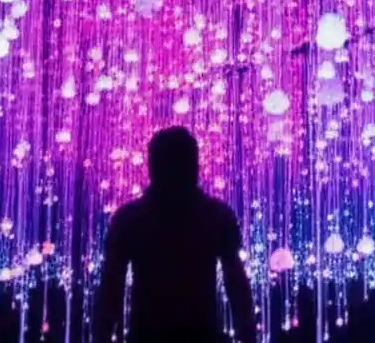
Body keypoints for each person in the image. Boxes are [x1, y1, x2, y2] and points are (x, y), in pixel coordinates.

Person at [93, 127, 256, 343]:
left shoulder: (130, 219)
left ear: (152, 167)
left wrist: (101, 335)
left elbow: (110, 290)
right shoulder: (217, 216)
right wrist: (247, 334)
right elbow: (237, 288)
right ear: (195, 166)